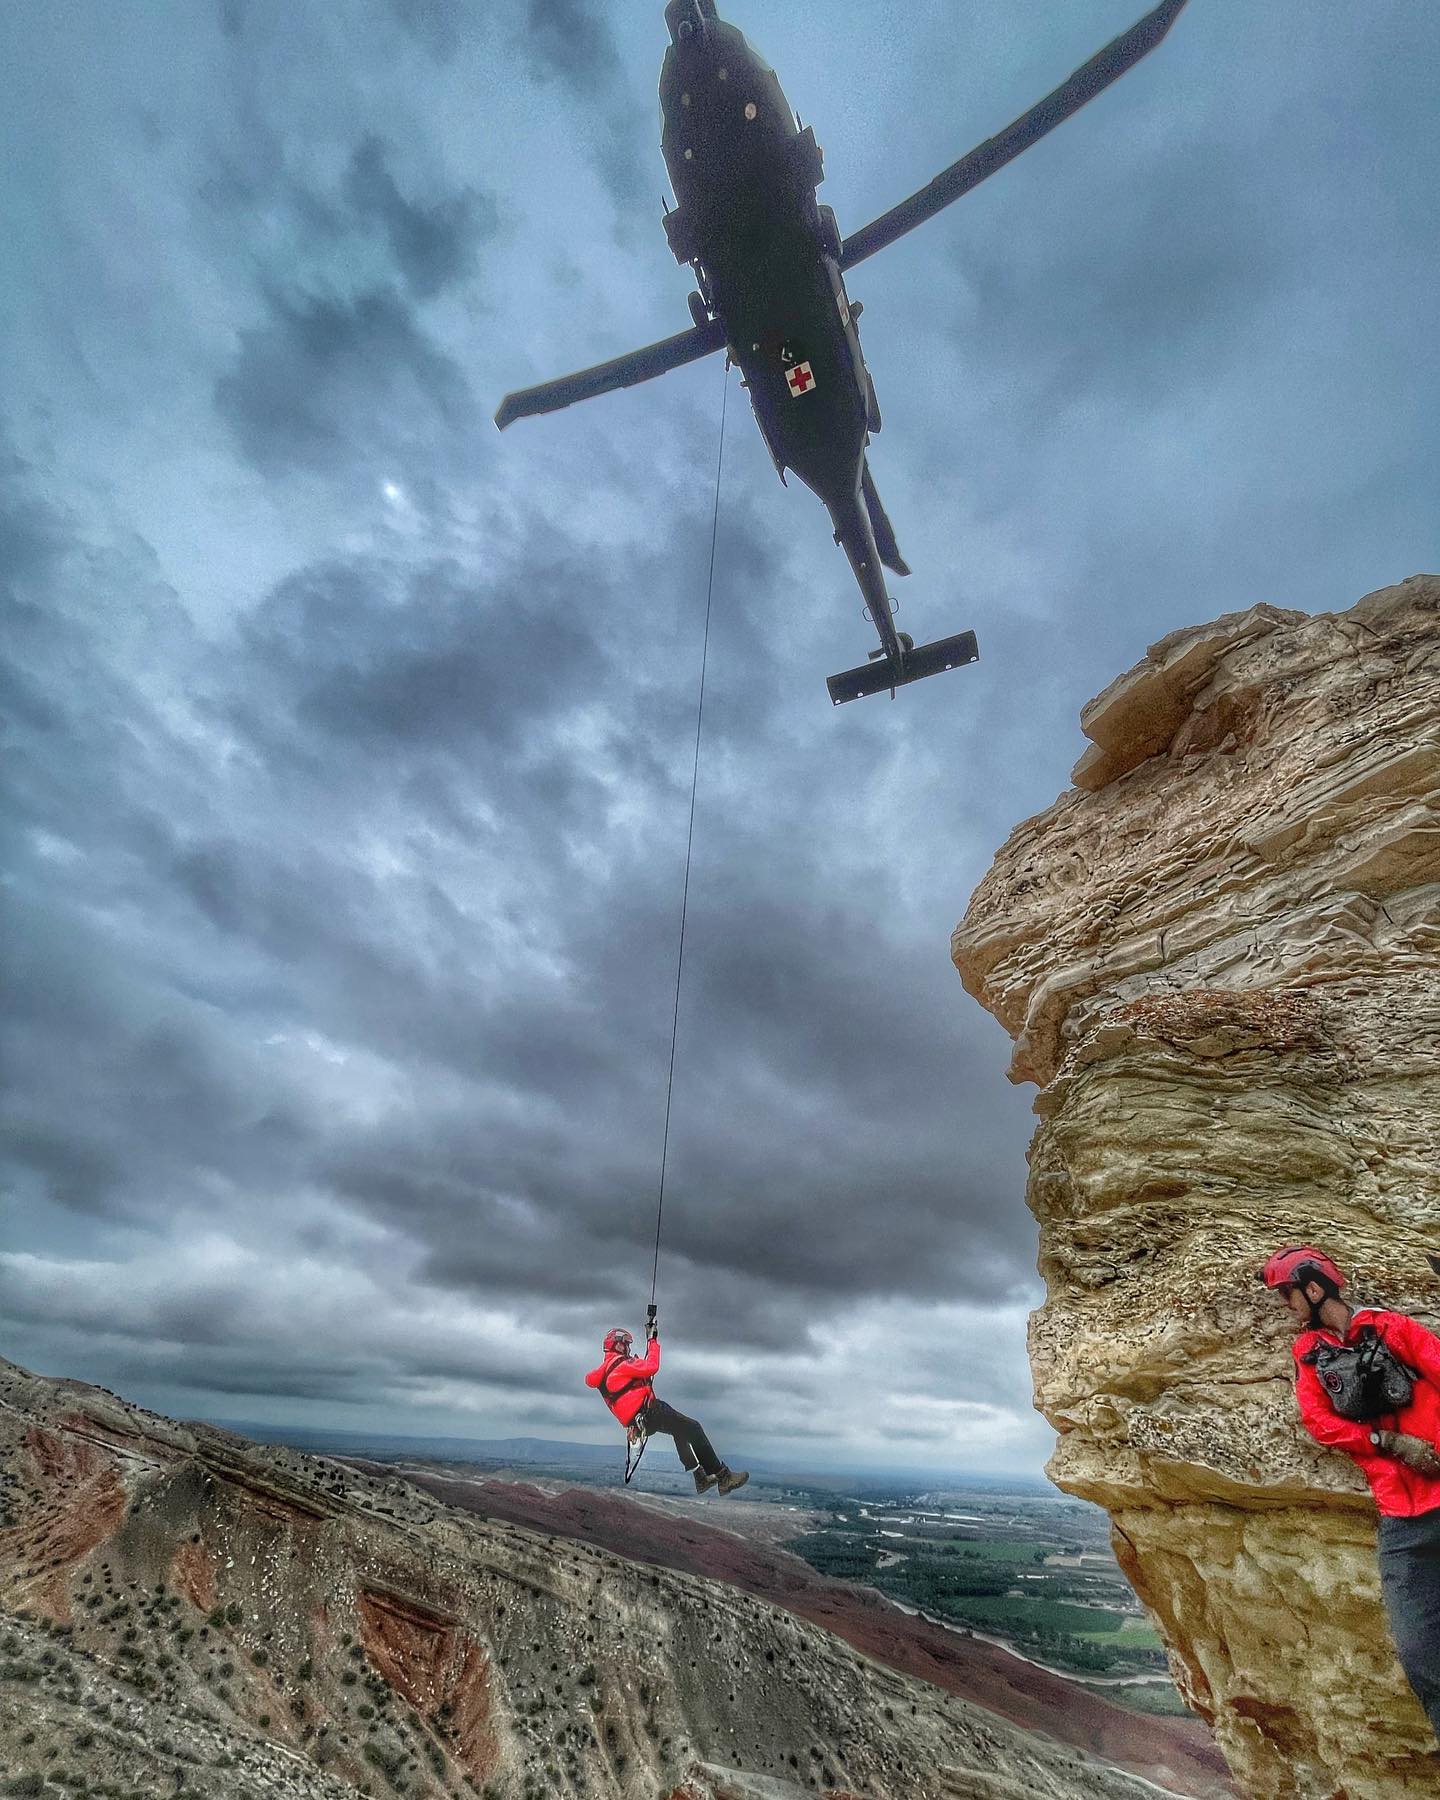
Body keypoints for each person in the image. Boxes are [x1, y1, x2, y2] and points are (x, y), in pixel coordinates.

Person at [1262, 1244, 1440, 1737]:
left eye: (1288, 1294)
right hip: (1400, 1521)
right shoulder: (1310, 1353)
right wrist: (1388, 1442)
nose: (1286, 1305)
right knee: (1420, 1653)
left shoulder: (1393, 1329)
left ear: (1315, 1288)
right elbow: (1320, 1422)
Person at [585, 1309, 748, 1496]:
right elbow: (652, 1367)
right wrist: (652, 1341)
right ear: (619, 1346)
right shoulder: (621, 1366)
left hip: (641, 1422)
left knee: (680, 1430)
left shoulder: (604, 1373)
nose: (629, 1348)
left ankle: (700, 1477)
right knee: (693, 1428)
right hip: (651, 1412)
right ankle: (723, 1477)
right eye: (627, 1345)